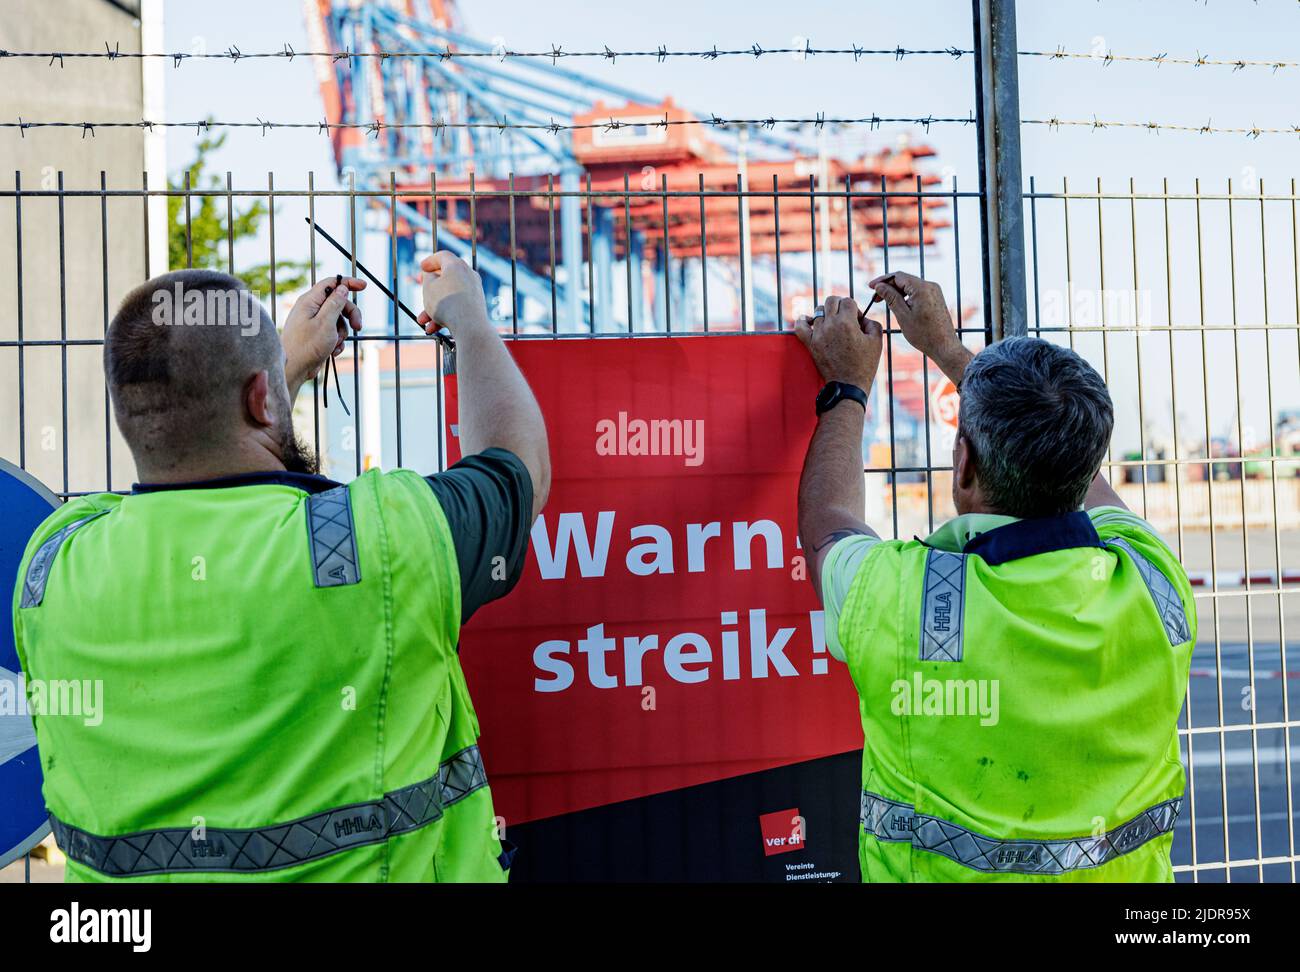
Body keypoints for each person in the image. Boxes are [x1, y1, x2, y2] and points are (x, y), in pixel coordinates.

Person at [13, 251, 549, 882]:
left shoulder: (53, 565)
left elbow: (200, 464)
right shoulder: (379, 540)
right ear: (262, 399)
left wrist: (276, 372)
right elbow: (518, 470)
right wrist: (469, 319)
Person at [794, 272, 1195, 882]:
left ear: (963, 468)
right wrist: (951, 354)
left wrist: (847, 386)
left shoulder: (907, 600)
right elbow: (1080, 476)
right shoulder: (1155, 580)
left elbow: (827, 525)